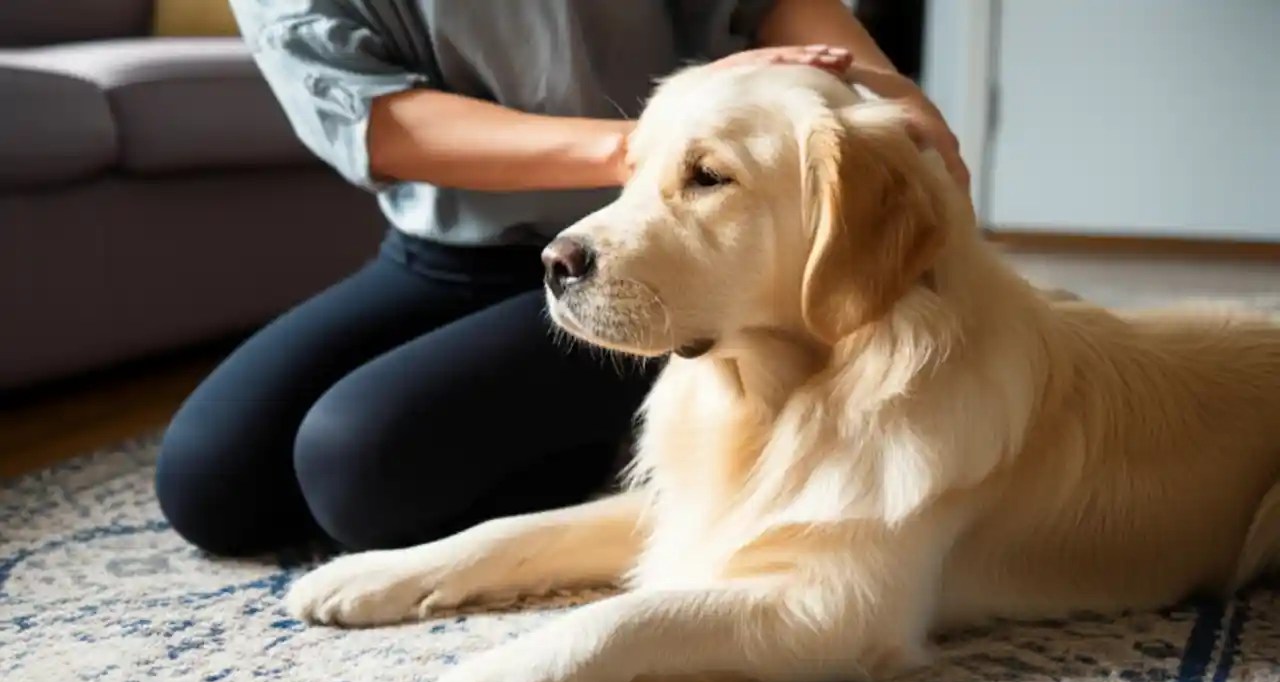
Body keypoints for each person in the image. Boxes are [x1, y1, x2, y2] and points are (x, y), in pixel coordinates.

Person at [155, 0, 968, 556]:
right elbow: (372, 117)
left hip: (670, 254)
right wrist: (662, 134)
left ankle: (665, 424)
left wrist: (888, 103)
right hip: (452, 252)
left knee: (354, 469)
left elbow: (776, 7)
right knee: (208, 485)